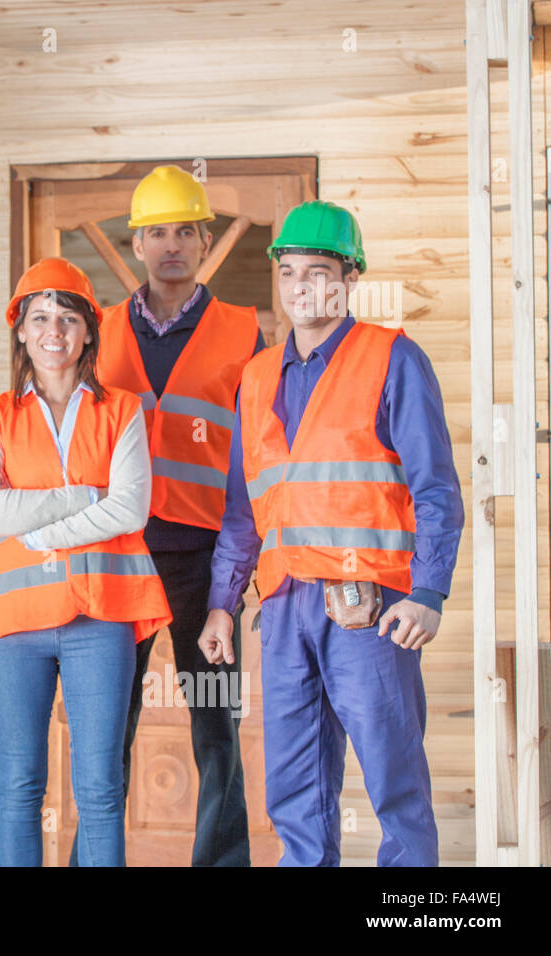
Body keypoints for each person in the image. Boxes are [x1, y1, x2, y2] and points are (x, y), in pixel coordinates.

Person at [198, 200, 464, 866]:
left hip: (369, 613)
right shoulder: (257, 379)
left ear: (349, 281)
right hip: (285, 609)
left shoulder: (393, 358)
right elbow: (241, 510)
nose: (301, 288)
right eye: (289, 272)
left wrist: (428, 591)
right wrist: (222, 605)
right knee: (294, 790)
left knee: (393, 781)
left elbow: (435, 489)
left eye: (318, 272)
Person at [0, 256, 172, 866]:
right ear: (21, 331)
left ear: (88, 330)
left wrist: (35, 526)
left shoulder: (122, 411)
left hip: (100, 619)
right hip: (14, 623)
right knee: (20, 787)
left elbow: (131, 510)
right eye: (39, 318)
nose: (53, 330)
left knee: (102, 789)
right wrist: (80, 499)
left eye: (67, 317)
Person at [89, 164, 263, 867]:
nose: (170, 245)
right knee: (108, 731)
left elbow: (254, 468)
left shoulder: (243, 334)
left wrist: (235, 579)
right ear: (137, 245)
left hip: (207, 567)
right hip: (119, 561)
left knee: (217, 724)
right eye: (155, 232)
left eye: (183, 232)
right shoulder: (94, 333)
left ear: (204, 241)